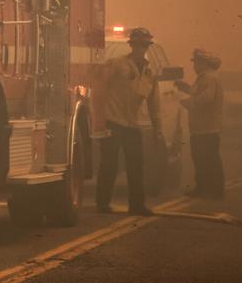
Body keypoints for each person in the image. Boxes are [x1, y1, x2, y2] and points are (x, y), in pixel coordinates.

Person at [96, 26, 162, 216]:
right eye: (138, 44)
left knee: (136, 165)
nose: (142, 48)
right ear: (132, 45)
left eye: (145, 45)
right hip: (113, 121)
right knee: (110, 164)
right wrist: (98, 118)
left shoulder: (150, 73)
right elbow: (99, 87)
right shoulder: (116, 64)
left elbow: (154, 103)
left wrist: (158, 128)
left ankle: (137, 205)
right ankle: (102, 203)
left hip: (132, 124)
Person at [176, 49, 225, 199]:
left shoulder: (208, 78)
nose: (194, 66)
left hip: (206, 128)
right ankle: (204, 188)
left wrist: (189, 103)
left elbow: (207, 98)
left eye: (196, 62)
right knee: (201, 159)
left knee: (207, 159)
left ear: (203, 63)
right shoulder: (206, 78)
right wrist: (186, 88)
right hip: (202, 128)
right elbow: (199, 93)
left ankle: (214, 190)